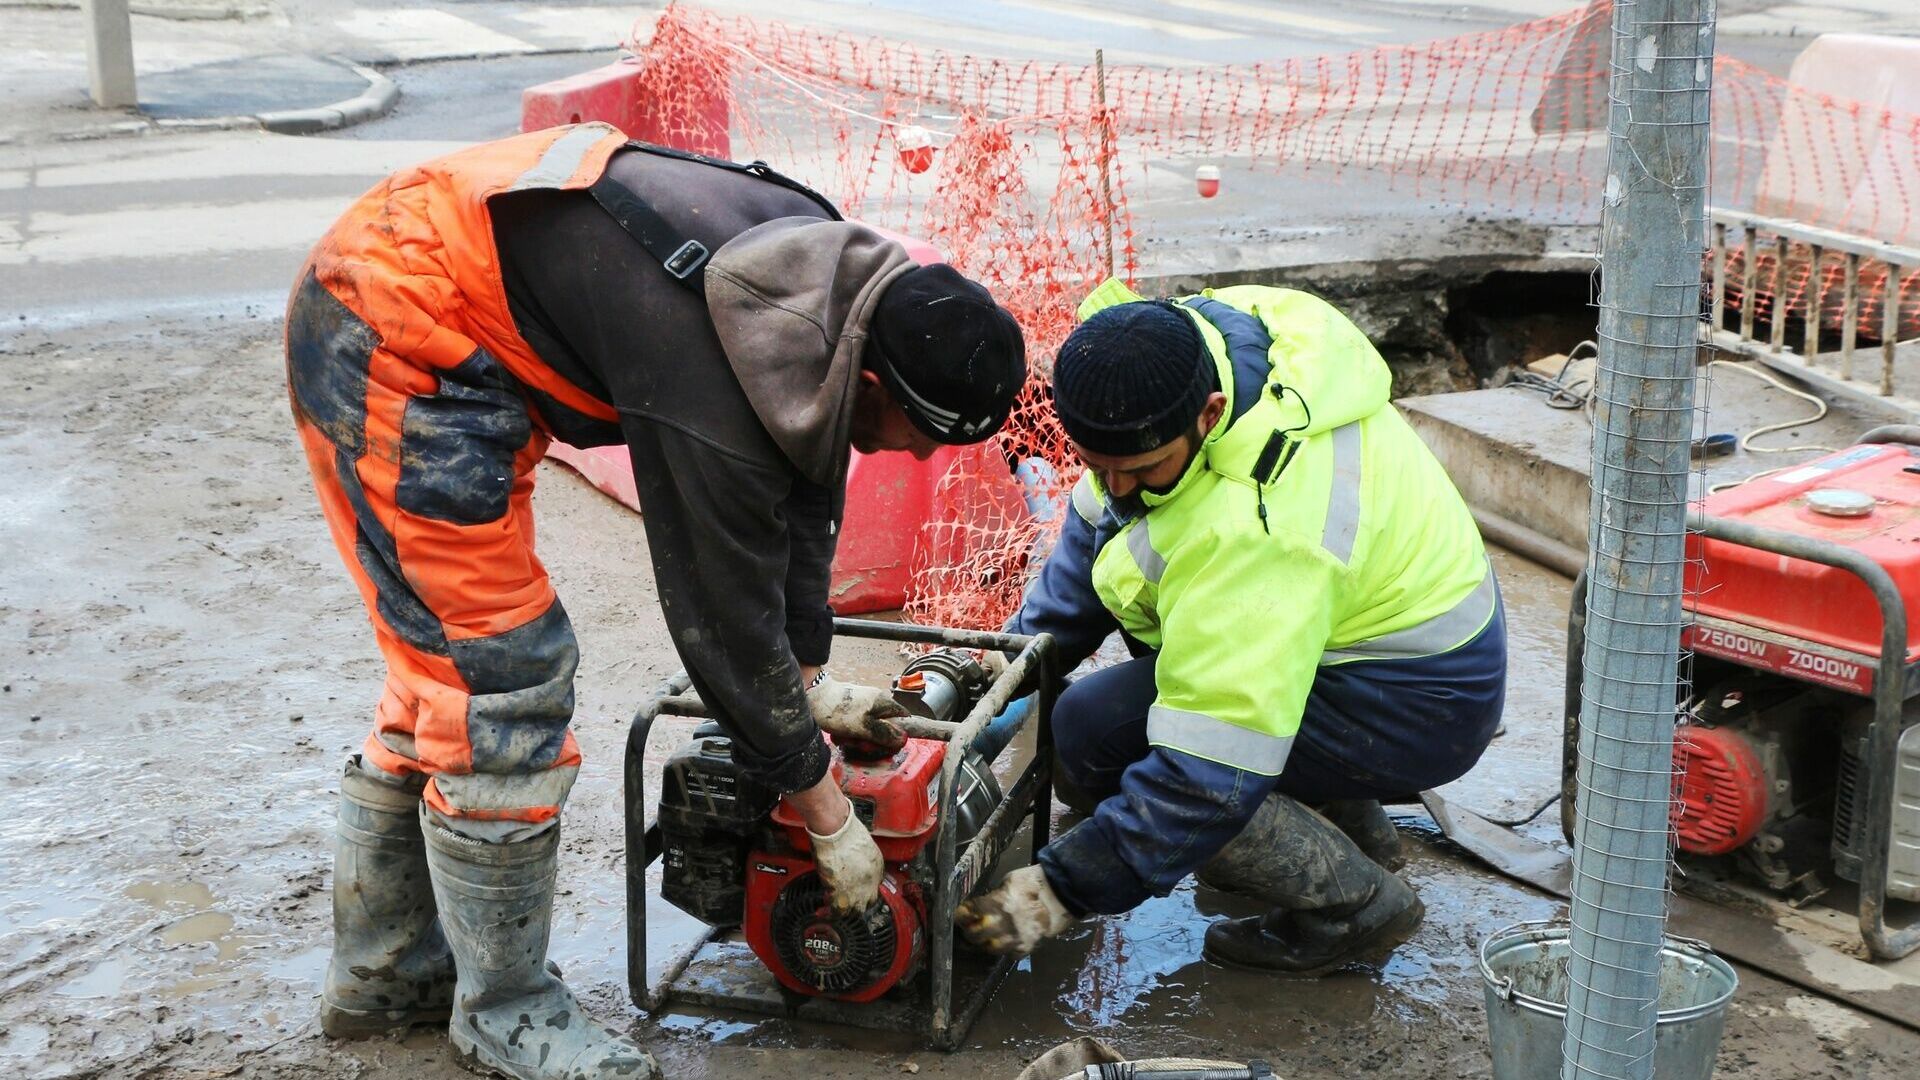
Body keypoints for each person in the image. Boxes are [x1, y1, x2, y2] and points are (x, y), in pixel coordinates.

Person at [287, 123, 1026, 1079]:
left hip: (471, 286)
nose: (923, 458)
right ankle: (502, 1008)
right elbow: (718, 621)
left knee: (443, 668)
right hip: (395, 326)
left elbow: (805, 489)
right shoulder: (710, 382)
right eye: (919, 434)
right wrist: (824, 809)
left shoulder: (833, 280)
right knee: (498, 675)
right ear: (873, 377)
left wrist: (808, 681)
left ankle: (387, 974)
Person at [956, 279, 1503, 975]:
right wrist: (992, 689)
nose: (1117, 487)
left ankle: (1356, 904)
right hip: (1375, 633)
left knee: (1106, 743)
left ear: (1209, 415)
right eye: (1098, 466)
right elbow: (1094, 545)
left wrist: (1053, 893)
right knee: (1102, 714)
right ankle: (1350, 821)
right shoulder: (1194, 349)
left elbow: (1203, 777)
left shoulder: (1261, 524)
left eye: (1141, 469)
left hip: (1421, 698)